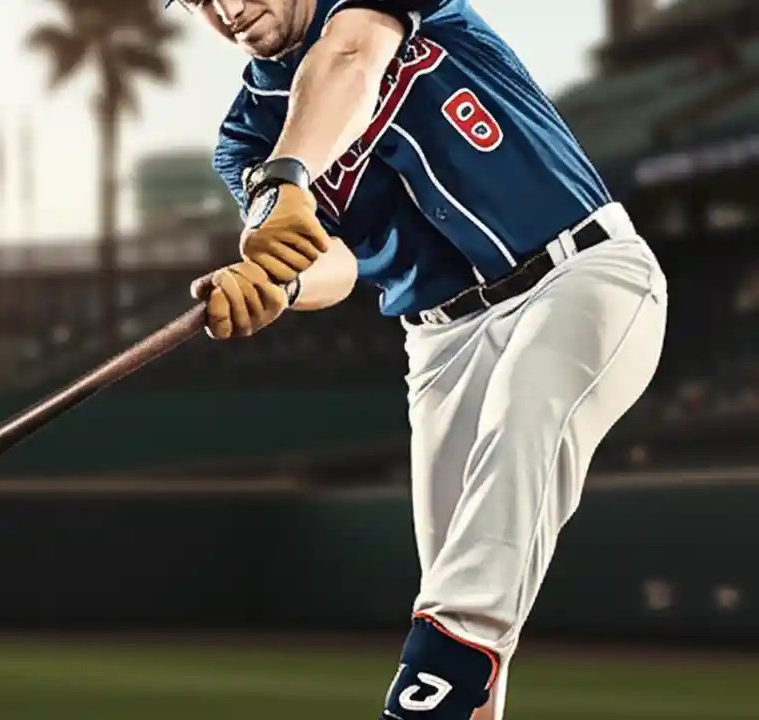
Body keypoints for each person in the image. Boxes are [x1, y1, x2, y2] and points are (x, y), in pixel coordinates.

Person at [171, 1, 669, 718]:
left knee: (523, 417)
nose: (228, 9)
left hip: (580, 274)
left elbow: (351, 55)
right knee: (456, 570)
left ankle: (427, 690)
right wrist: (279, 283)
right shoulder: (244, 137)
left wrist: (287, 181)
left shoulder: (367, 17)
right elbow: (336, 264)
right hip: (442, 344)